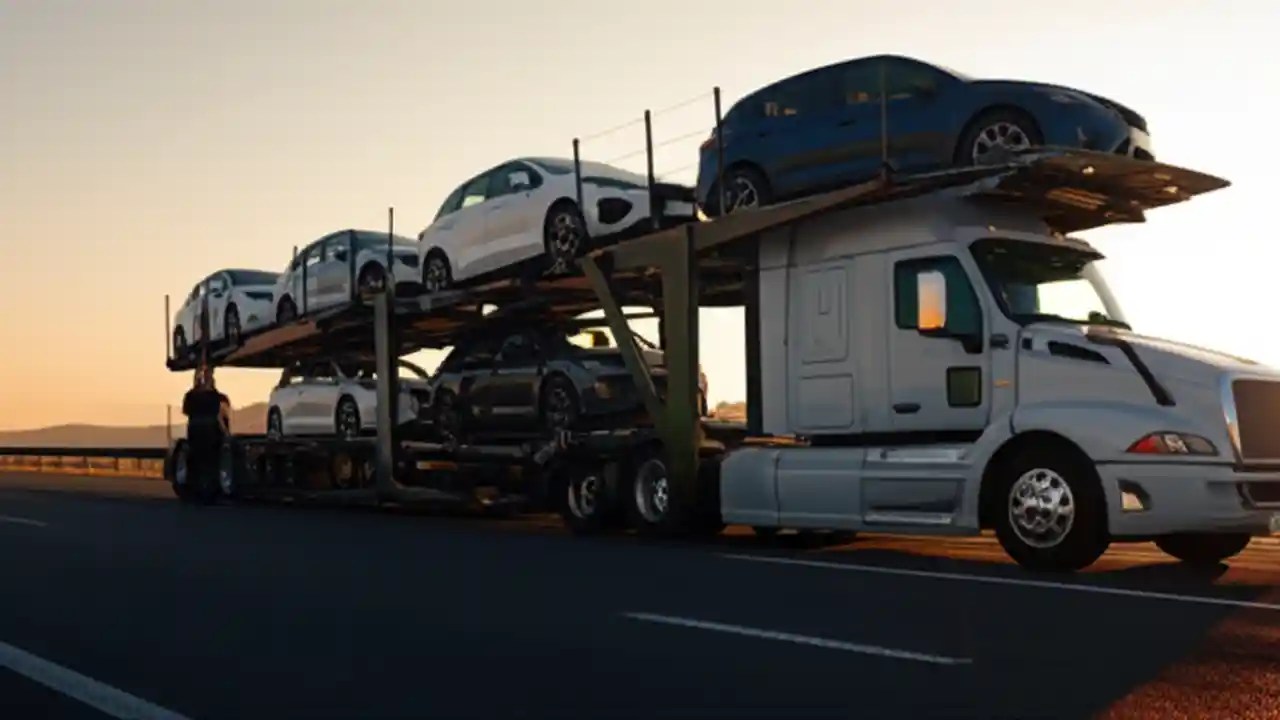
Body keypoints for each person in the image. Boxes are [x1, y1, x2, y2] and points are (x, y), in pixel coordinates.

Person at [181, 366, 230, 499]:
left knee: (196, 460)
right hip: (209, 431)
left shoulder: (191, 395)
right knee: (211, 462)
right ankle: (211, 489)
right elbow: (219, 415)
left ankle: (195, 489)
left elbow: (186, 411)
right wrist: (226, 433)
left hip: (195, 430)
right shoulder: (214, 396)